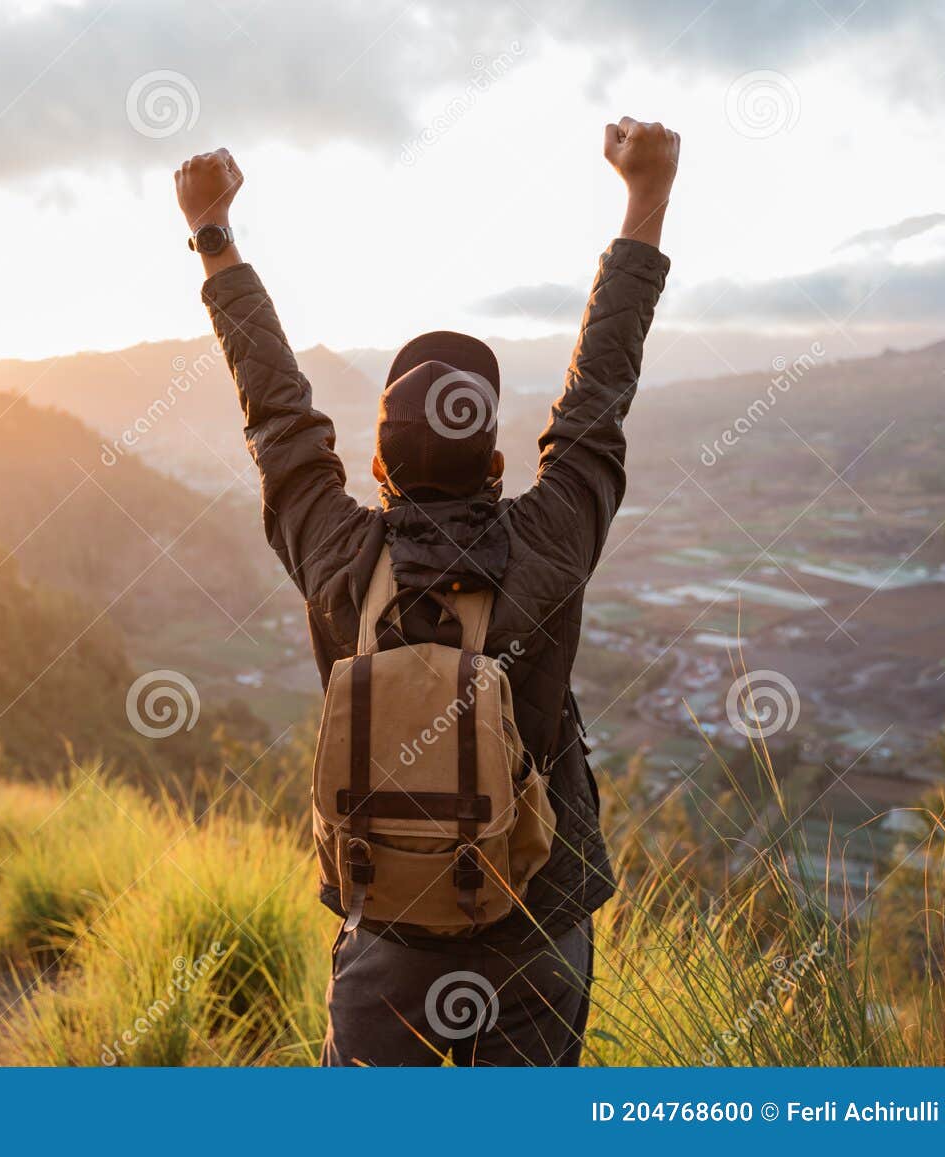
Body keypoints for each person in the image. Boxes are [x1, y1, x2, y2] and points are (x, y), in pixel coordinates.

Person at [176, 116, 679, 1066]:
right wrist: (644, 194)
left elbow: (276, 412)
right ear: (497, 459)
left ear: (372, 463)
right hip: (537, 925)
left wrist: (214, 236)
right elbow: (600, 395)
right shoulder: (549, 541)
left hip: (389, 927)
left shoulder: (337, 552)